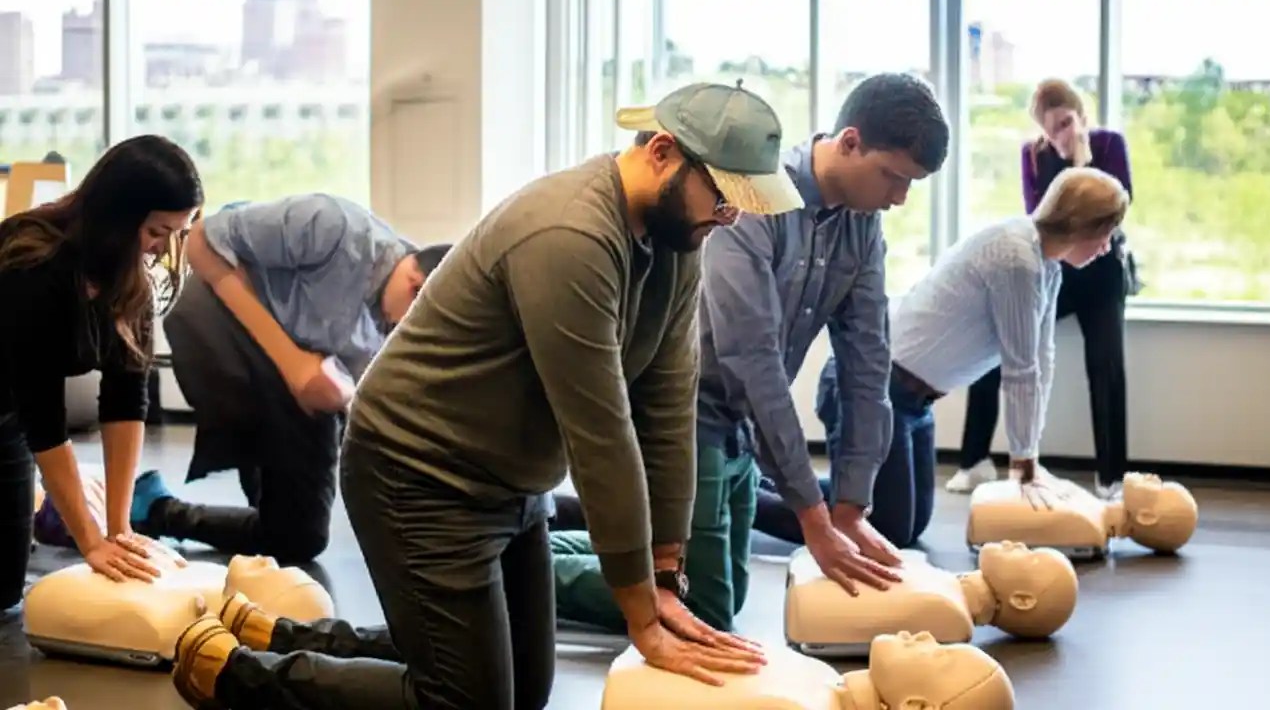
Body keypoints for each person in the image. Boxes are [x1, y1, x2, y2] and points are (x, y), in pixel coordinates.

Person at [169, 81, 806, 710]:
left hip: (508, 482)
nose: (729, 219)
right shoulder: (571, 235)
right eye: (722, 197)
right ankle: (232, 673)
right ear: (663, 152)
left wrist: (667, 575)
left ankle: (281, 634)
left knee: (523, 691)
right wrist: (641, 613)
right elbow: (602, 435)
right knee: (466, 699)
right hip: (418, 474)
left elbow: (667, 407)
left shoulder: (676, 241)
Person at [548, 73, 950, 632]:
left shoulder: (863, 227)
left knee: (727, 595)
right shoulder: (755, 197)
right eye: (893, 177)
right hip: (686, 414)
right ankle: (525, 566)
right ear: (851, 142)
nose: (900, 198)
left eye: (911, 185)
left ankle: (558, 541)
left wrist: (851, 507)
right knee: (702, 607)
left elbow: (867, 361)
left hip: (740, 421)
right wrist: (813, 517)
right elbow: (753, 357)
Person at [120, 194, 449, 563]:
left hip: (295, 356)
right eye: (407, 324)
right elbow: (200, 240)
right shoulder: (334, 226)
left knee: (298, 538)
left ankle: (155, 508)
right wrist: (290, 361)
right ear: (414, 286)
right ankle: (158, 506)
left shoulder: (391, 322)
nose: (398, 333)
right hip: (221, 314)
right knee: (281, 435)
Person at [0, 134, 202, 608]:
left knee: (4, 587)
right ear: (118, 216)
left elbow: (126, 399)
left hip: (8, 413)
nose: (163, 247)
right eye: (156, 231)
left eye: (179, 231)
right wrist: (90, 541)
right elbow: (44, 420)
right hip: (18, 407)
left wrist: (120, 526)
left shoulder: (132, 278)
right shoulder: (32, 264)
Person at [881, 166, 1129, 521]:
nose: (1107, 247)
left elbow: (1042, 362)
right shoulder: (1016, 259)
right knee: (890, 524)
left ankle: (795, 494)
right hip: (876, 388)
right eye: (1105, 233)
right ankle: (780, 503)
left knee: (910, 519)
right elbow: (1020, 370)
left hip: (913, 401)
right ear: (1079, 225)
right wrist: (1022, 467)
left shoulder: (1048, 267)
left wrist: (1031, 461)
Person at [946, 79, 1137, 499]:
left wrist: (1082, 160)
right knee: (1000, 348)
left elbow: (1116, 207)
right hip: (1058, 269)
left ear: (1081, 116)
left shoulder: (1109, 145)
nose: (1059, 136)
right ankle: (974, 459)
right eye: (1051, 129)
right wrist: (1064, 162)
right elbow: (1039, 216)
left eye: (1066, 123)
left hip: (1103, 270)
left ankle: (1111, 477)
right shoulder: (1034, 155)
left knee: (1106, 366)